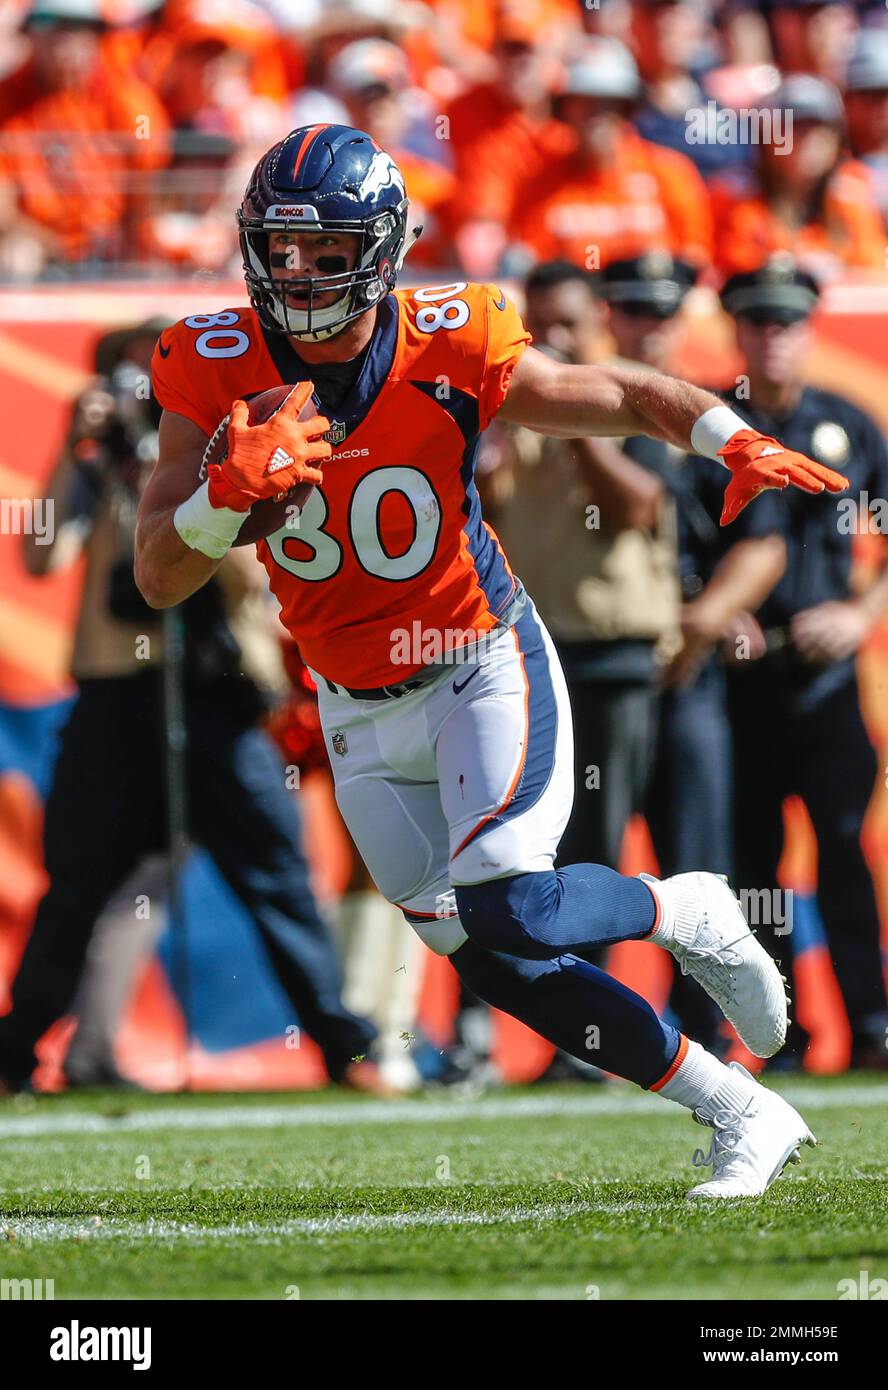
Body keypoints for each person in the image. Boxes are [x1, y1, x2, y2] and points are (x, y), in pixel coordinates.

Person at [137, 124, 849, 1198]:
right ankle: (739, 1108)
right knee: (487, 954)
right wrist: (217, 500)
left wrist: (724, 435)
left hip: (479, 661)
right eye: (282, 250)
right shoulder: (209, 359)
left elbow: (608, 392)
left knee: (508, 899)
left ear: (380, 252)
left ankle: (684, 907)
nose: (300, 274)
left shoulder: (450, 335)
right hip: (351, 699)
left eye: (328, 252)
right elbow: (155, 575)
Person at [0, 319, 384, 1097]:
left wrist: (205, 487)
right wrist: (80, 448)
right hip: (113, 695)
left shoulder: (214, 455)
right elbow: (42, 555)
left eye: (153, 381)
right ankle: (14, 1055)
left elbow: (246, 581)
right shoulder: (99, 462)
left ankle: (349, 1053)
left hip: (217, 696)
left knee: (274, 876)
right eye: (124, 380)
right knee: (76, 883)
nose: (139, 397)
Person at [717, 257, 888, 1070]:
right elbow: (673, 538)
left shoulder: (847, 424)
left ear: (808, 327)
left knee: (844, 845)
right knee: (754, 863)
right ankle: (779, 1035)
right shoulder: (712, 424)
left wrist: (859, 613)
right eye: (758, 322)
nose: (773, 336)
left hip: (825, 678)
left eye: (786, 322)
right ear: (738, 329)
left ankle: (871, 1022)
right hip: (739, 680)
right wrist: (717, 609)